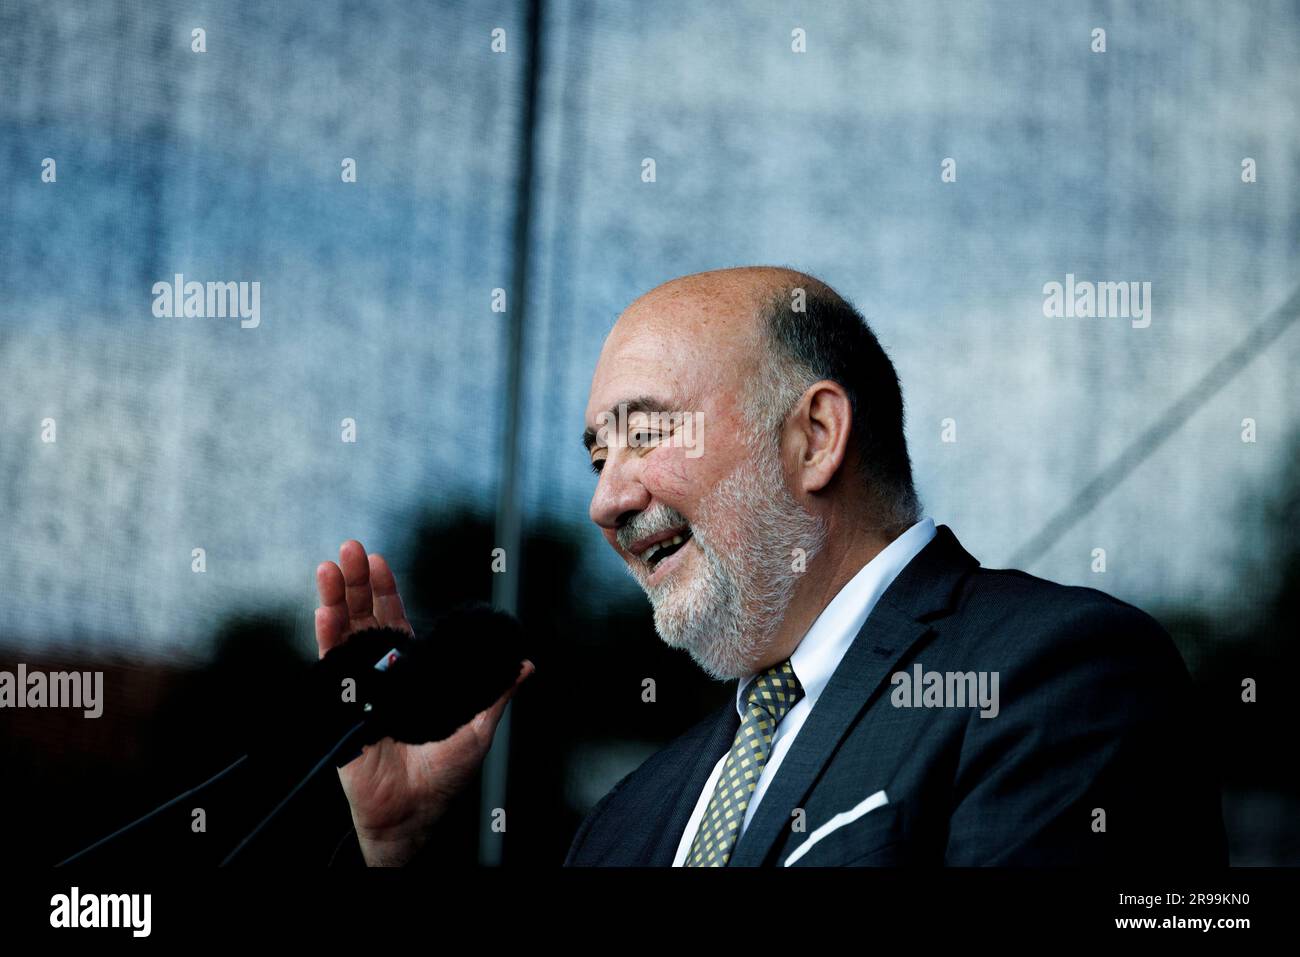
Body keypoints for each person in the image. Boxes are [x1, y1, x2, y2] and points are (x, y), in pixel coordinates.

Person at [316, 266, 1227, 867]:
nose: (606, 500)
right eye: (598, 455)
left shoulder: (1050, 675)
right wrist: (405, 854)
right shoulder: (627, 822)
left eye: (646, 432)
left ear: (816, 436)